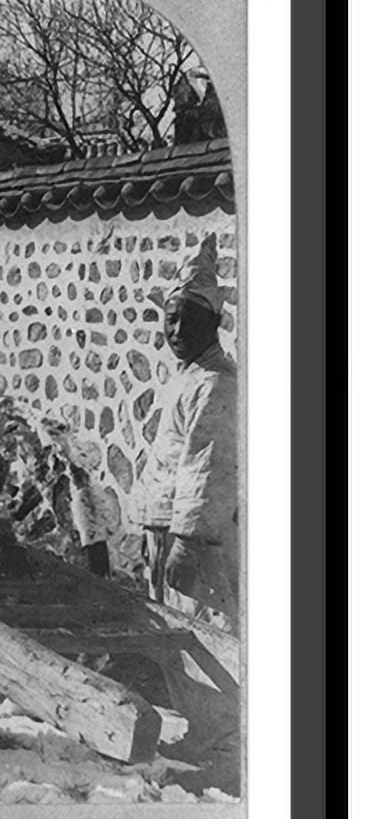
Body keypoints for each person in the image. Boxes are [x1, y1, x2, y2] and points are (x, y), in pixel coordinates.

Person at [133, 234, 239, 632]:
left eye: (189, 320)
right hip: (168, 533)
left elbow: (207, 468)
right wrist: (152, 525)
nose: (177, 330)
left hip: (197, 546)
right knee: (171, 629)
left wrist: (186, 545)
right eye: (170, 319)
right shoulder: (188, 377)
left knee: (204, 633)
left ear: (212, 323)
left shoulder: (216, 383)